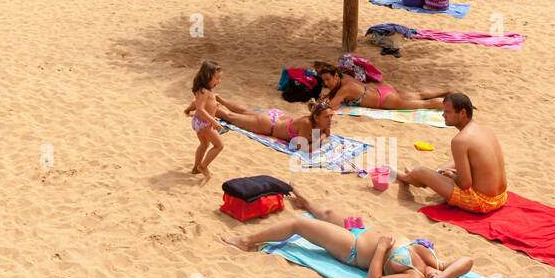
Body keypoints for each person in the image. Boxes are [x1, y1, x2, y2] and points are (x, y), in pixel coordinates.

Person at [220, 189, 473, 278]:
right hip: (364, 230)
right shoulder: (438, 266)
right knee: (327, 212)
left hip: (351, 248)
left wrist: (382, 249)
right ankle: (307, 201)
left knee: (300, 224)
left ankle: (246, 241)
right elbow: (468, 260)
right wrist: (441, 277)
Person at [398, 93, 507, 214]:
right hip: (501, 198)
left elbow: (465, 184)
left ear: (463, 113)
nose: (443, 115)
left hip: (483, 203)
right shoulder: (485, 129)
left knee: (421, 171)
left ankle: (406, 177)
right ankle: (420, 177)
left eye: (448, 112)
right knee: (444, 169)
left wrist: (453, 176)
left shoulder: (460, 140)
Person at [315, 61, 452, 111]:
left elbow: (331, 107)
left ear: (336, 76)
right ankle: (448, 91)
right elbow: (332, 94)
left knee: (425, 104)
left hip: (385, 100)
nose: (326, 84)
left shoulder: (344, 89)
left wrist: (322, 102)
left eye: (328, 80)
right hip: (383, 91)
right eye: (324, 81)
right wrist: (327, 96)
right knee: (419, 94)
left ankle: (453, 104)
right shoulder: (344, 77)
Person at [216, 98, 334, 154]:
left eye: (331, 116)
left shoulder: (322, 122)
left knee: (244, 111)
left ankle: (218, 98)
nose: (330, 119)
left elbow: (326, 134)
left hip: (276, 117)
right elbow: (302, 148)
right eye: (327, 117)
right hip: (268, 125)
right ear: (316, 117)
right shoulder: (307, 123)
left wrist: (324, 133)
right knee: (230, 117)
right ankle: (209, 105)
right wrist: (322, 138)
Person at [183, 60, 227, 179]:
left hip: (200, 123)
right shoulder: (203, 92)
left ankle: (195, 168)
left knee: (204, 145)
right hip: (204, 123)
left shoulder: (204, 90)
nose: (219, 81)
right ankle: (203, 166)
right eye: (217, 78)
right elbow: (200, 109)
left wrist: (213, 105)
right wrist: (214, 121)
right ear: (208, 77)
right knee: (219, 145)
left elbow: (200, 104)